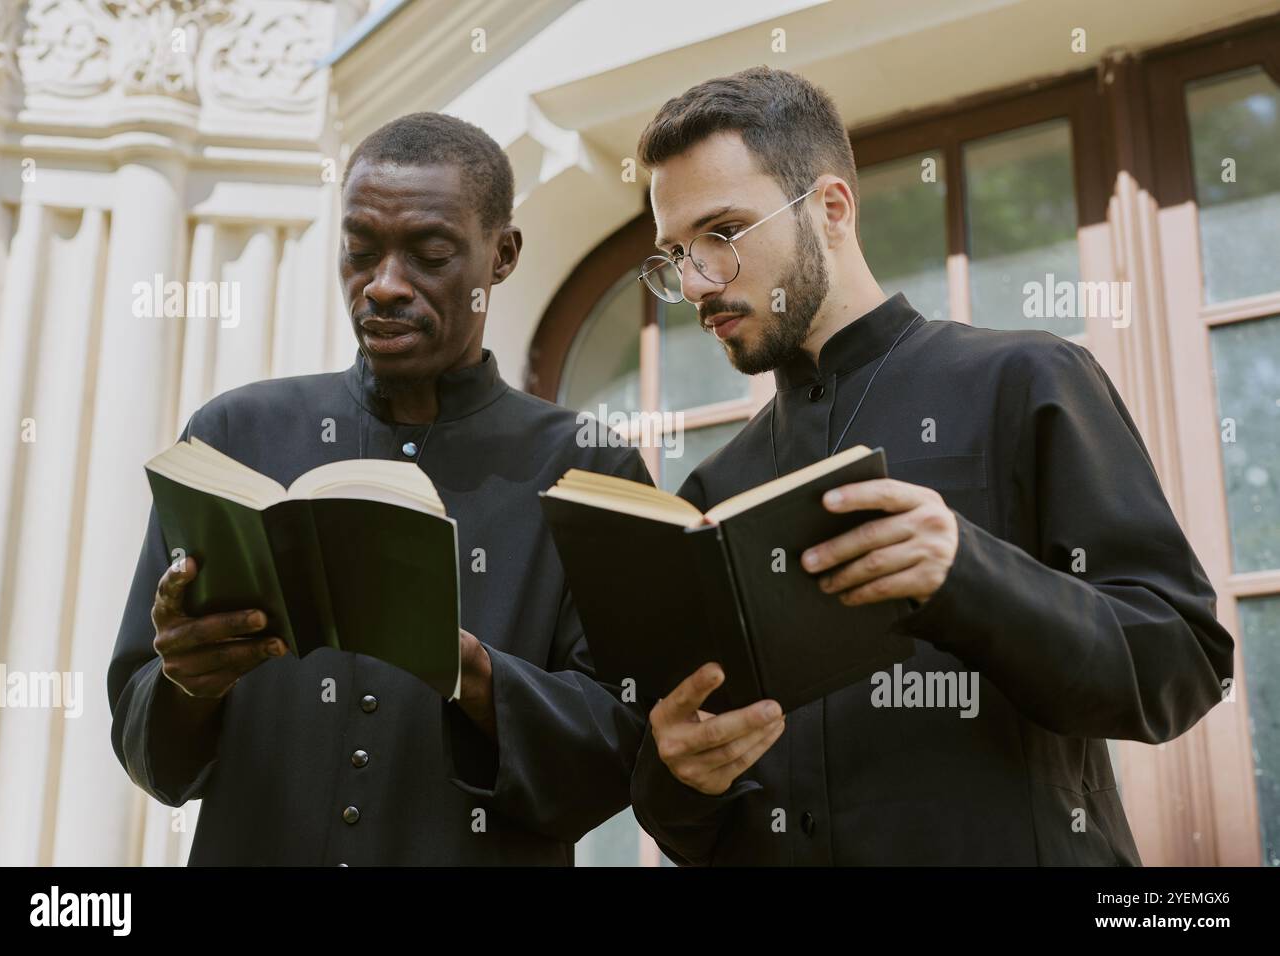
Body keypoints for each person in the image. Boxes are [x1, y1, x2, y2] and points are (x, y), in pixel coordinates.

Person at [628, 67, 1234, 865]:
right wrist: (675, 778)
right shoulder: (711, 490)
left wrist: (967, 571)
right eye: (676, 253)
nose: (698, 282)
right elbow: (703, 821)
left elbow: (1182, 665)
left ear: (832, 209)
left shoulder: (1028, 380)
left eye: (724, 235)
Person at [108, 112, 649, 865]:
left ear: (504, 254)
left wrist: (470, 673)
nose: (385, 286)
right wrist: (186, 682)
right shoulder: (235, 435)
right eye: (359, 252)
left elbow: (625, 750)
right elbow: (144, 749)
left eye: (429, 254)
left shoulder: (590, 470)